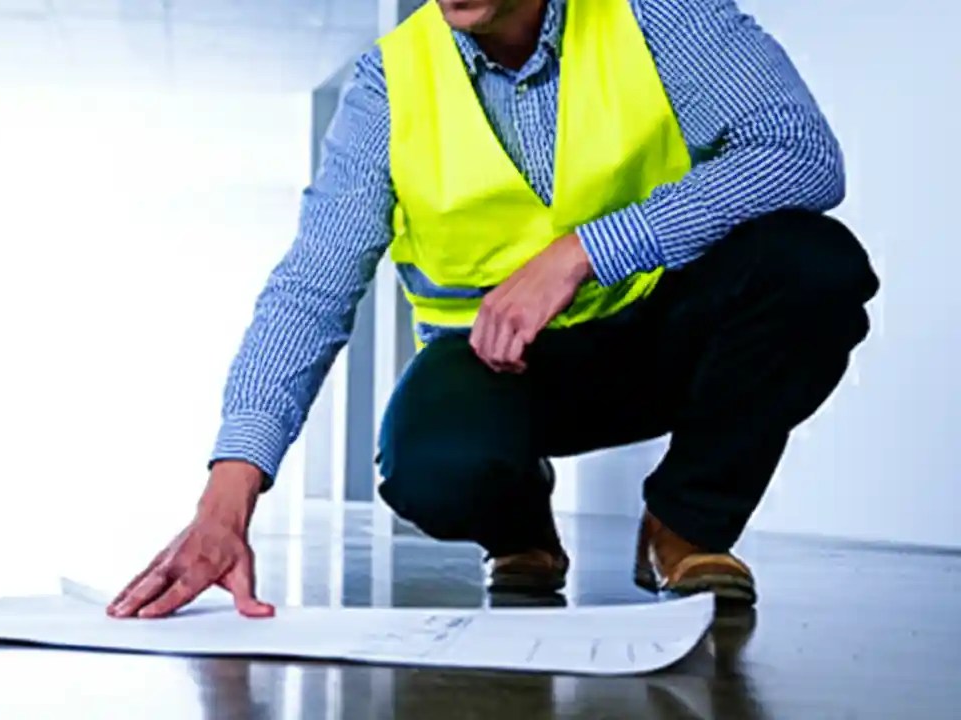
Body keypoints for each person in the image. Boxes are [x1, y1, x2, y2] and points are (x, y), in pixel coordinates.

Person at [108, 0, 878, 619]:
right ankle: (521, 535)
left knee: (816, 266)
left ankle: (687, 527)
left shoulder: (659, 14)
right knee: (430, 466)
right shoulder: (387, 86)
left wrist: (588, 250)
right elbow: (311, 288)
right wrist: (226, 497)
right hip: (500, 366)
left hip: (667, 340)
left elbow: (800, 152)